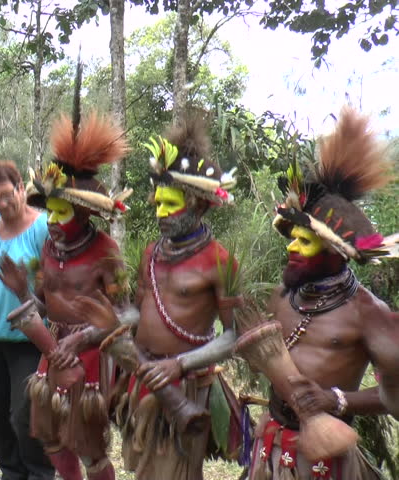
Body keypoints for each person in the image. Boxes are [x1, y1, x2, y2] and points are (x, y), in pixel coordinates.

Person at [244, 107, 399, 480]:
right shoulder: (283, 295)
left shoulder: (368, 312)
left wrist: (337, 399)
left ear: (335, 248)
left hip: (327, 462)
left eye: (305, 240)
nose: (291, 246)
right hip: (271, 449)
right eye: (291, 237)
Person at [102, 117, 243, 480]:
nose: (159, 212)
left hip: (186, 384)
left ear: (197, 204)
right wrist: (113, 320)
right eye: (158, 202)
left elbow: (233, 336)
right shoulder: (152, 252)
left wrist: (179, 365)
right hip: (143, 376)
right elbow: (139, 313)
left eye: (170, 204)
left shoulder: (220, 261)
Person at [0, 106, 132, 480]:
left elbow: (126, 314)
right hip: (52, 348)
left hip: (90, 353)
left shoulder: (106, 251)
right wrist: (22, 290)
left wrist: (83, 338)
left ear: (83, 212)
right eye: (50, 213)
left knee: (87, 442)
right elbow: (43, 305)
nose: (52, 222)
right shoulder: (48, 248)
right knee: (50, 435)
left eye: (61, 213)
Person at [0, 160, 53, 480]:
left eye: (7, 195)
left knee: (25, 415)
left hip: (28, 339)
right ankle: (12, 471)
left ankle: (39, 472)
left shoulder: (42, 228)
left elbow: (53, 286)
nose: (2, 204)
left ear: (20, 188)